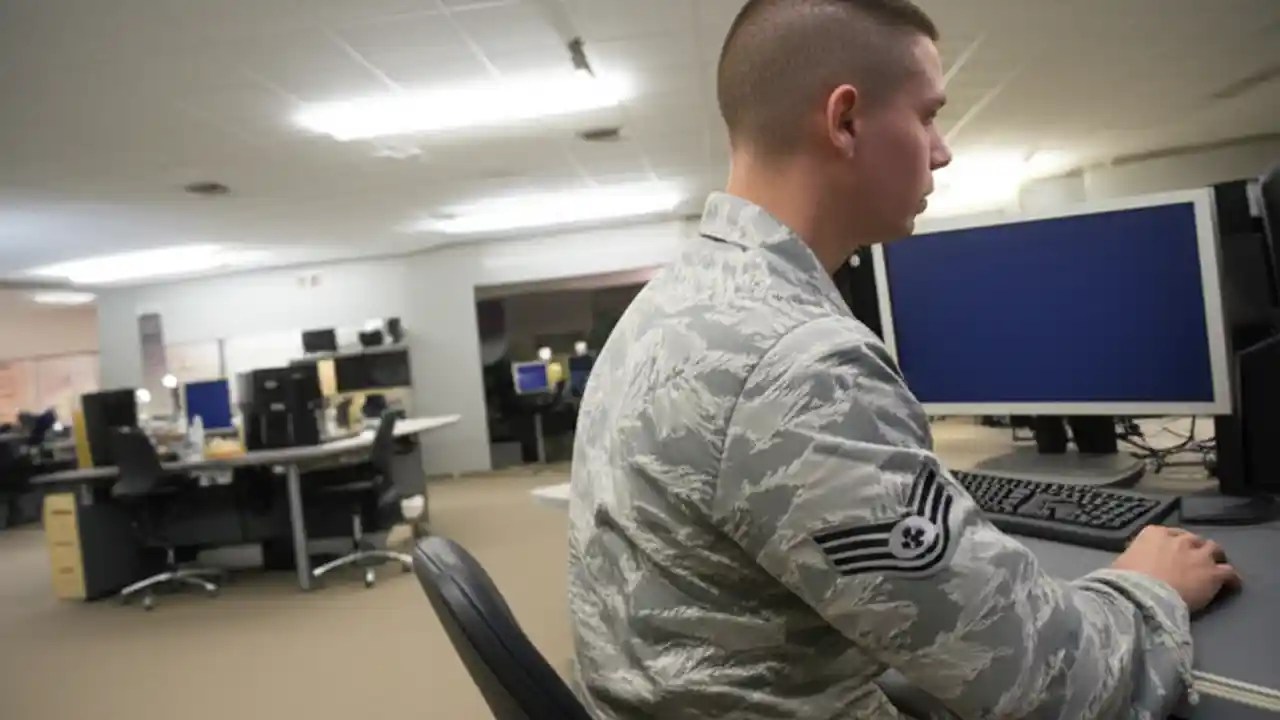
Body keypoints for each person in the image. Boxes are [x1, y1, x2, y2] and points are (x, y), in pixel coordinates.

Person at [567, 0, 1242, 718]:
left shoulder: (672, 304)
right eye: (926, 115)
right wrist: (1148, 584)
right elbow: (1058, 687)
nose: (942, 149)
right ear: (846, 121)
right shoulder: (795, 362)